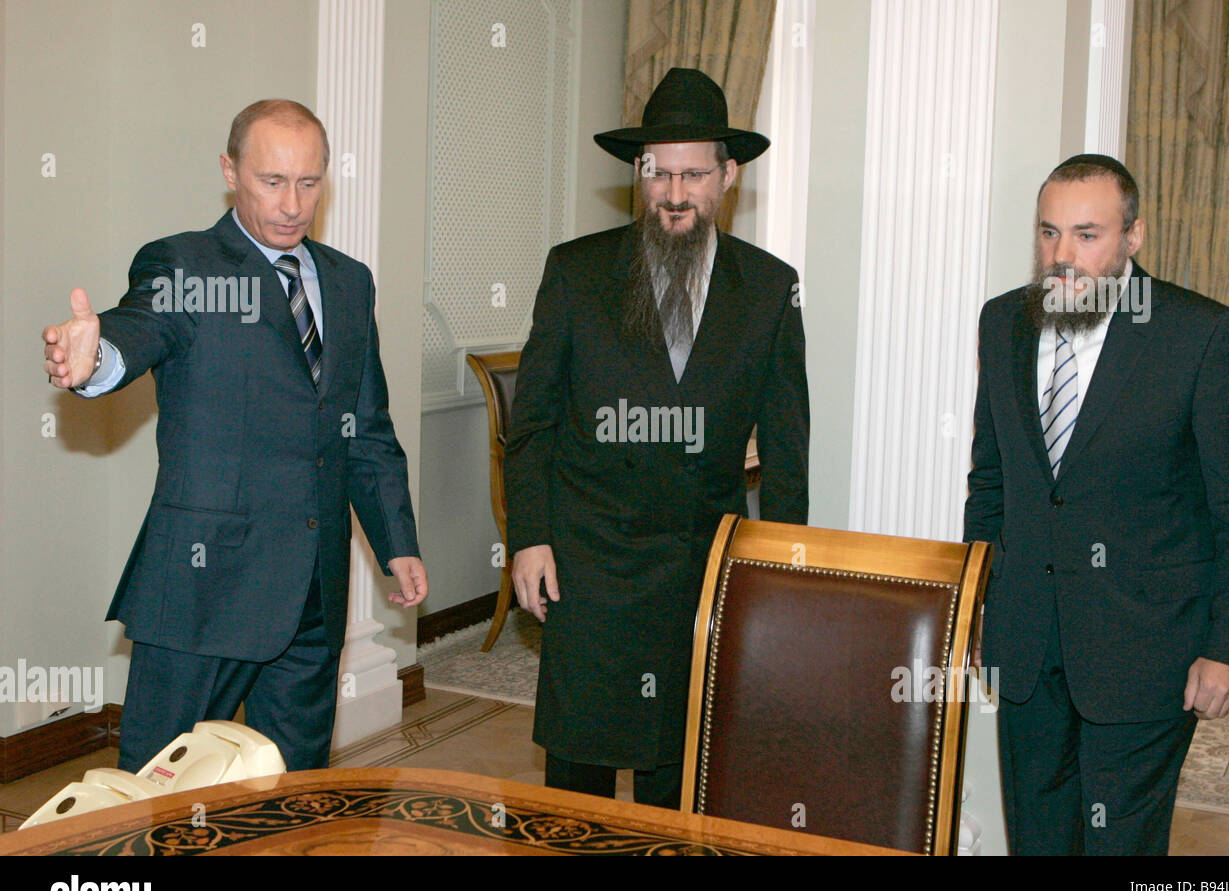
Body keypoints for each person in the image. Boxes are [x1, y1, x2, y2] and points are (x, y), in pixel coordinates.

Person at [41, 100, 427, 772]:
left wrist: (397, 542)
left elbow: (365, 429)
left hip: (313, 589)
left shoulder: (347, 282)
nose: (292, 204)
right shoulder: (185, 264)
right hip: (202, 588)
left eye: (309, 183)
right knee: (155, 793)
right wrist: (96, 358)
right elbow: (140, 327)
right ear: (229, 171)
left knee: (295, 788)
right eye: (271, 181)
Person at [505, 68, 810, 808]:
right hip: (588, 562)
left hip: (697, 569)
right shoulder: (576, 272)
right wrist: (530, 536)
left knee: (680, 781)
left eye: (694, 174)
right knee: (575, 784)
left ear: (728, 175)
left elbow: (789, 449)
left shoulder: (770, 289)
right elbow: (535, 422)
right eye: (659, 173)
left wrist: (782, 578)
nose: (675, 193)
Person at [963, 153, 1229, 854]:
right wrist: (981, 600)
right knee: (1039, 841)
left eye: (1086, 235)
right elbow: (992, 481)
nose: (1062, 256)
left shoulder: (1200, 336)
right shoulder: (1002, 323)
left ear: (1133, 237)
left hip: (1147, 652)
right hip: (1026, 649)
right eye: (1048, 233)